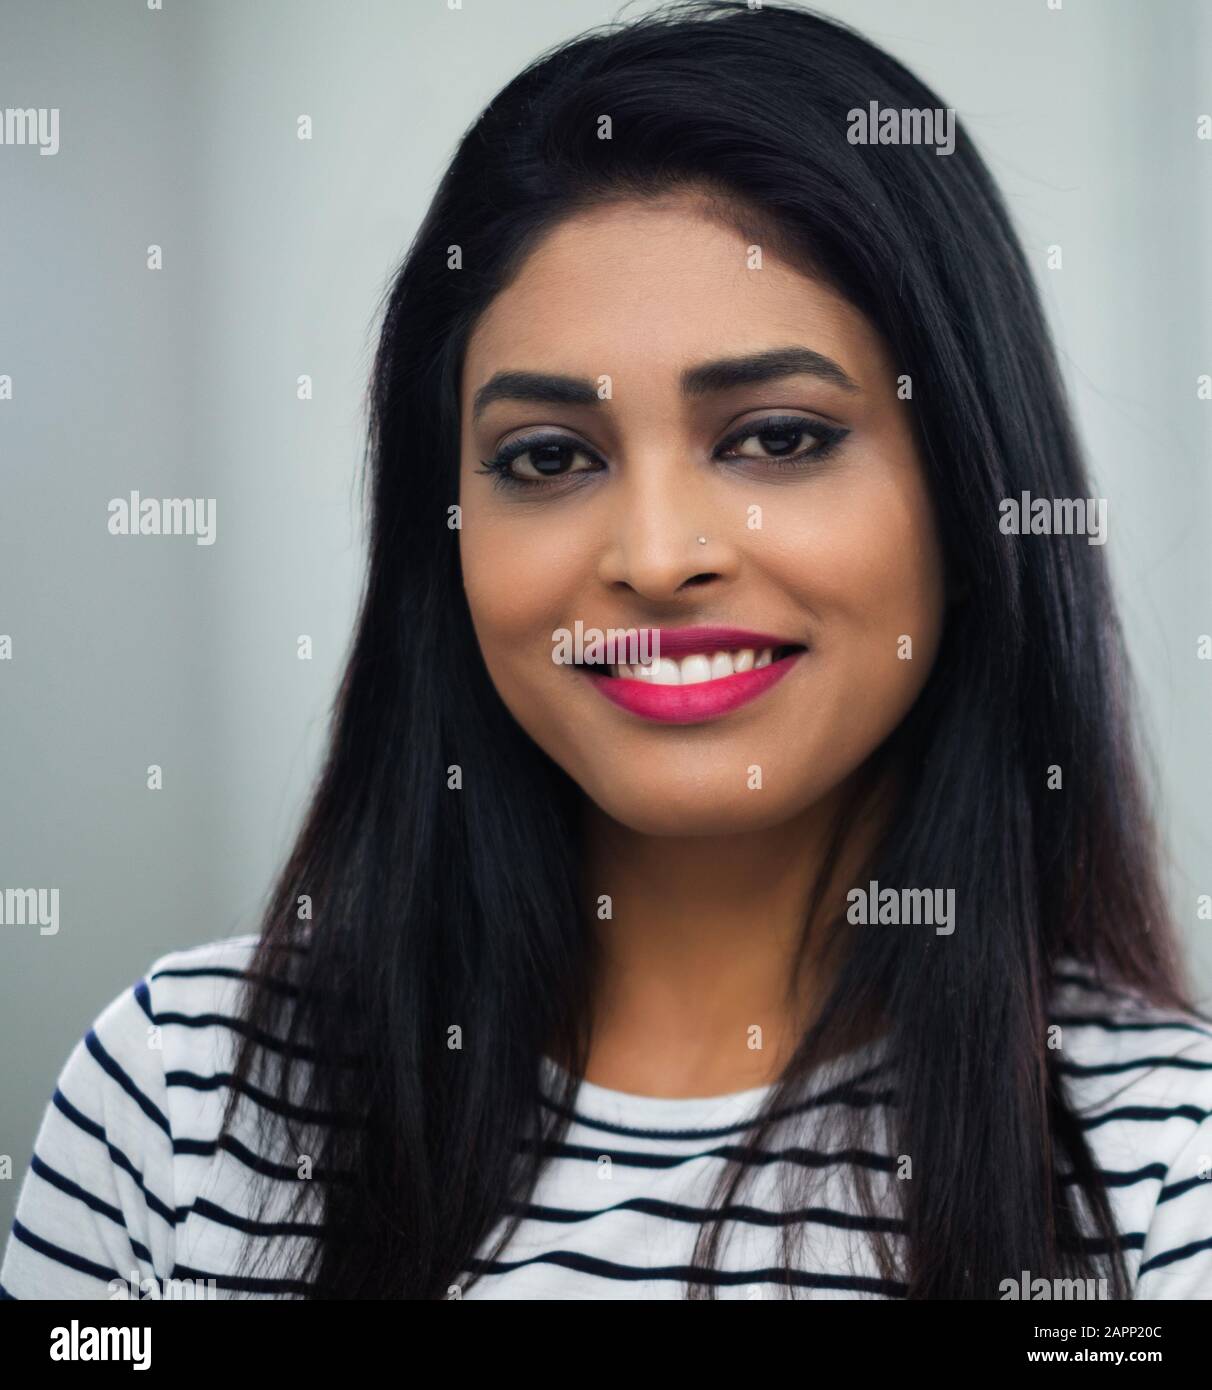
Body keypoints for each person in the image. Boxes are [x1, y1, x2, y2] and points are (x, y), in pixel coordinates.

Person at [4, 0, 1211, 1301]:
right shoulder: (181, 1104)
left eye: (778, 436)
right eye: (549, 457)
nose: (654, 552)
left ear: (970, 495)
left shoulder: (1165, 1174)